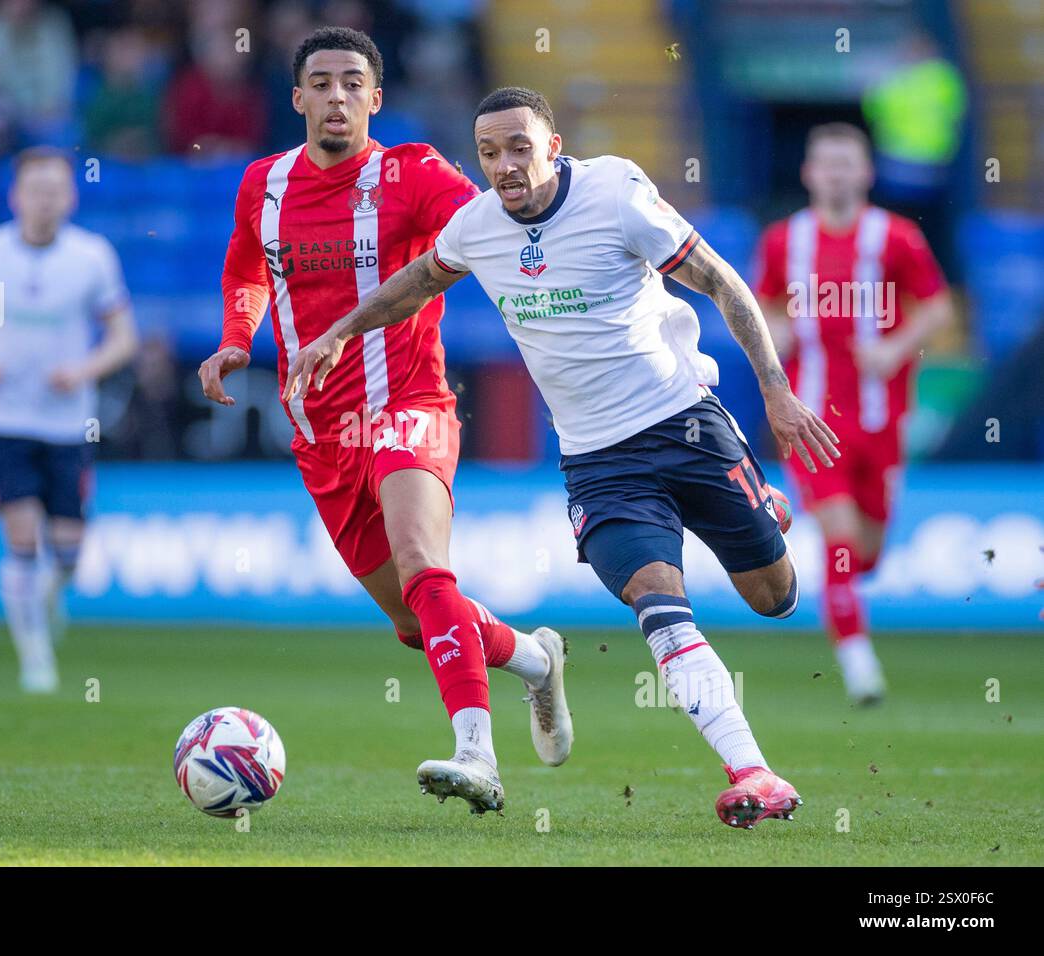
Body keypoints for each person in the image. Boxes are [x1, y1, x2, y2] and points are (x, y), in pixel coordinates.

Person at [286, 87, 841, 830]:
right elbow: (415, 283)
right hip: (599, 462)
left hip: (686, 424)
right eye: (489, 154)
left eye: (519, 147)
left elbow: (720, 282)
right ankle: (754, 772)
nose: (505, 166)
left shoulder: (616, 194)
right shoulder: (478, 226)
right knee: (659, 606)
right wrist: (337, 334)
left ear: (553, 146)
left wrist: (775, 391)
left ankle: (764, 509)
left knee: (774, 597)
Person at [198, 30, 571, 816]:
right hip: (321, 435)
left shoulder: (415, 173)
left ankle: (478, 753)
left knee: (421, 562)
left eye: (353, 83)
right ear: (297, 98)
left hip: (410, 406)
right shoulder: (262, 183)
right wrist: (237, 338)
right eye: (321, 83)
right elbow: (244, 266)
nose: (337, 96)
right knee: (413, 619)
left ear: (375, 97)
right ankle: (535, 660)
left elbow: (485, 229)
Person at [753, 123, 953, 704]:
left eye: (848, 163)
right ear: (809, 173)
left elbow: (938, 306)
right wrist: (777, 334)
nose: (836, 174)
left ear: (865, 173)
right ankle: (860, 665)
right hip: (811, 419)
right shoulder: (783, 241)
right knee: (837, 532)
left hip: (881, 421)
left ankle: (845, 597)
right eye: (826, 163)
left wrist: (895, 348)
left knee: (864, 551)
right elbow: (756, 304)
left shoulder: (894, 239)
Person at [0, 148, 139, 693]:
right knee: (21, 538)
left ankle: (47, 601)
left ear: (71, 196)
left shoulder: (91, 257)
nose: (46, 198)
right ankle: (35, 658)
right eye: (36, 188)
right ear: (15, 195)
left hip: (68, 424)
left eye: (56, 189)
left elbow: (124, 338)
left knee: (69, 554)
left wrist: (83, 369)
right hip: (3, 419)